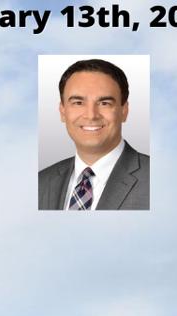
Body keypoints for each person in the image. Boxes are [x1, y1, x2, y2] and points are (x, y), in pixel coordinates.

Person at [38, 58, 150, 211]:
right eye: (78, 103)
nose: (91, 115)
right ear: (62, 111)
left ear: (124, 111)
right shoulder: (41, 182)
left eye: (104, 103)